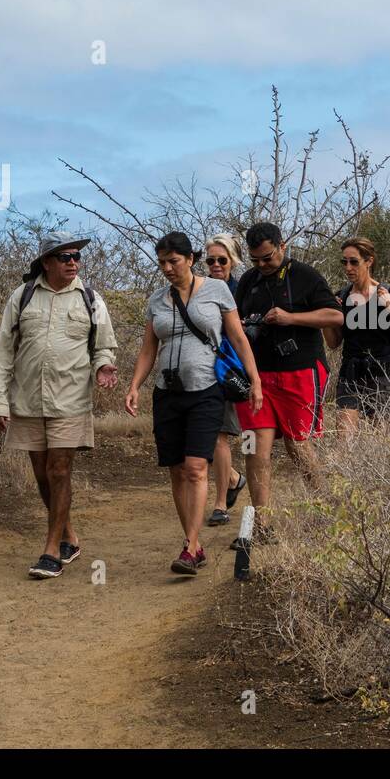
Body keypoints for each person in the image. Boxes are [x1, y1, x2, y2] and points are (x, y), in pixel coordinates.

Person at [124, 232, 261, 576]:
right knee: (176, 470)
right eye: (162, 263)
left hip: (206, 390)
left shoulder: (216, 291)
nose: (168, 269)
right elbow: (148, 349)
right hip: (167, 392)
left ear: (190, 259)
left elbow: (238, 338)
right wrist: (134, 385)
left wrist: (255, 380)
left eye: (174, 261)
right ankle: (194, 545)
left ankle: (189, 545)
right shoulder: (157, 299)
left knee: (197, 466)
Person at [0, 231, 119, 580]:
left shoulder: (91, 299)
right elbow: (3, 350)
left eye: (77, 257)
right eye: (65, 257)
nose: (73, 263)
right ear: (47, 263)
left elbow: (104, 345)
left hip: (70, 398)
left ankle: (50, 551)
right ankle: (69, 537)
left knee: (60, 470)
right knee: (44, 474)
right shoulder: (23, 296)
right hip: (27, 400)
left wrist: (104, 365)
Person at [233, 222, 343, 542]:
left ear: (282, 246)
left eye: (267, 258)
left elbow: (335, 317)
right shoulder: (249, 282)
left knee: (298, 444)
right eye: (255, 260)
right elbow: (236, 322)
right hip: (259, 375)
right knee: (256, 448)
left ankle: (326, 506)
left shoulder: (305, 276)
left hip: (300, 370)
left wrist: (290, 318)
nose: (262, 266)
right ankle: (263, 525)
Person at [323, 236, 390, 436]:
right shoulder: (342, 296)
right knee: (344, 441)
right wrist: (327, 315)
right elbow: (333, 343)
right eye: (344, 262)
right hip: (351, 372)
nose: (348, 267)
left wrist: (389, 306)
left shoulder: (389, 293)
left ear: (369, 261)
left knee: (381, 441)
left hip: (382, 372)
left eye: (354, 262)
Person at [202, 233, 247, 526]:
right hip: (201, 370)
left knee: (219, 436)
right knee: (202, 437)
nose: (216, 264)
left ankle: (220, 505)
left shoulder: (242, 290)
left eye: (222, 259)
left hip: (229, 371)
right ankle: (232, 478)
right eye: (211, 260)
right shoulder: (200, 289)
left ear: (233, 260)